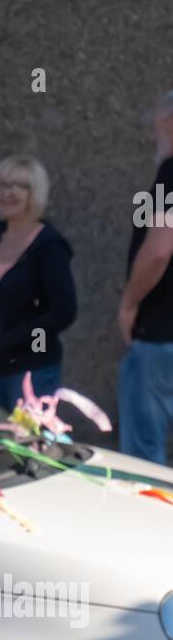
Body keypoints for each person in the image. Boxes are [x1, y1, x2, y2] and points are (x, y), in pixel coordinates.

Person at [0, 155, 77, 413]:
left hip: (30, 370)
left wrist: (14, 340)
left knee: (28, 447)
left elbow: (64, 310)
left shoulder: (49, 246)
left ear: (34, 193)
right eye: (0, 185)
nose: (6, 193)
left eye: (17, 186)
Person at [117, 92, 173, 463]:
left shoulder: (171, 172)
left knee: (143, 461)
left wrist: (128, 305)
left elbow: (159, 251)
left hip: (161, 336)